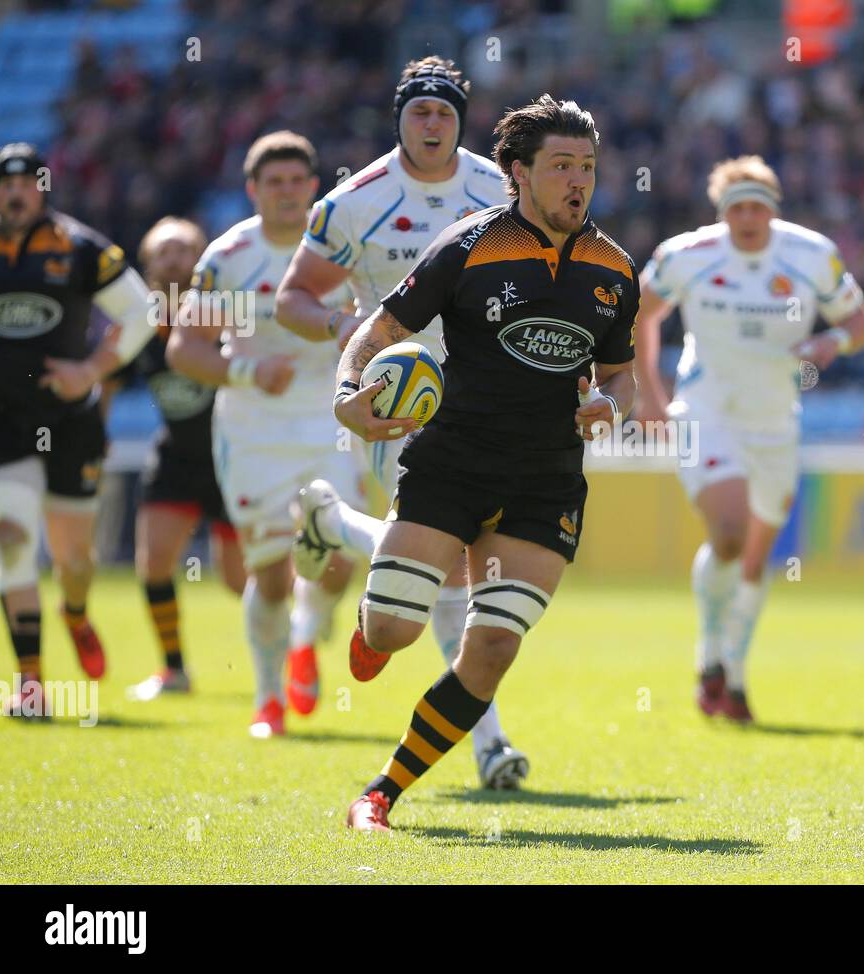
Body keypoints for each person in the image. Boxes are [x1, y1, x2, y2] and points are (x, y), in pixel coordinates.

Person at [338, 95, 637, 831]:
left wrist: (611, 406)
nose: (578, 181)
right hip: (453, 462)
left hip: (547, 480)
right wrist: (349, 394)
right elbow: (377, 330)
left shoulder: (616, 270)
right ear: (518, 173)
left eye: (588, 168)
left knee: (493, 644)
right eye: (561, 166)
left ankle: (379, 795)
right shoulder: (466, 246)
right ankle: (353, 565)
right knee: (394, 633)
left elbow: (621, 375)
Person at [275, 54, 526, 788]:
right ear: (400, 118)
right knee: (452, 560)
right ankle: (491, 747)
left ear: (461, 121)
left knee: (477, 561)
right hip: (398, 397)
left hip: (493, 396)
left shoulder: (497, 189)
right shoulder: (354, 201)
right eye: (420, 111)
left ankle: (336, 524)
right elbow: (295, 297)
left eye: (445, 112)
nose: (432, 124)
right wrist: (346, 329)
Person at [634, 156, 864, 722]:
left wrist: (831, 343)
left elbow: (860, 324)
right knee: (731, 533)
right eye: (737, 207)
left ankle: (732, 675)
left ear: (773, 210)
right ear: (722, 212)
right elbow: (639, 315)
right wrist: (650, 396)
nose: (748, 218)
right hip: (703, 410)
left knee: (755, 556)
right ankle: (710, 655)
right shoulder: (685, 255)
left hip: (776, 420)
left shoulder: (812, 255)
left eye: (758, 207)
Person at [166, 131, 360, 738]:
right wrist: (249, 371)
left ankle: (307, 636)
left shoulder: (341, 251)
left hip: (330, 421)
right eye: (272, 182)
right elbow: (183, 348)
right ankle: (268, 697)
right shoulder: (227, 257)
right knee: (272, 573)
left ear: (313, 186)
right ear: (253, 190)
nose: (285, 192)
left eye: (296, 181)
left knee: (341, 560)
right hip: (252, 428)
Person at [0, 142, 153, 715]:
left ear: (43, 187)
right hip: (3, 424)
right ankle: (31, 685)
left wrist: (90, 368)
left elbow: (142, 314)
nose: (15, 192)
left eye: (26, 182)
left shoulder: (81, 247)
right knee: (10, 542)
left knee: (74, 562)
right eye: (4, 183)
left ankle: (77, 613)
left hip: (69, 421)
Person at [124, 216, 247, 701]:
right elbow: (109, 377)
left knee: (240, 581)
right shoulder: (138, 323)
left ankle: (289, 651)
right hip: (174, 458)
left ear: (200, 258)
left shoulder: (224, 312)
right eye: (163, 251)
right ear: (147, 264)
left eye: (183, 249)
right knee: (153, 563)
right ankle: (174, 670)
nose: (173, 258)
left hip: (228, 456)